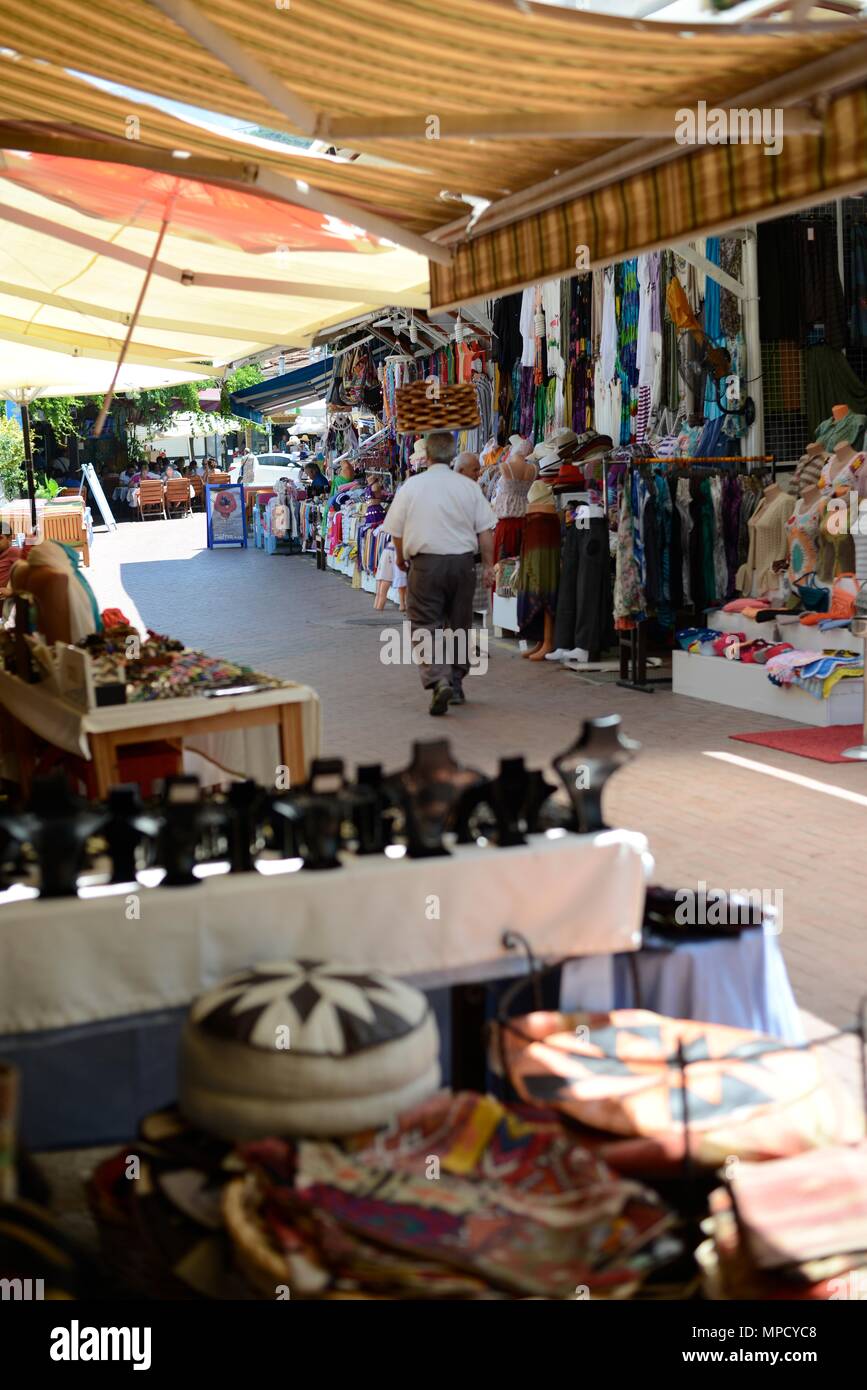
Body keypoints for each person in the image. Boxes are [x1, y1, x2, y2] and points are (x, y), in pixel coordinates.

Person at [383, 430, 495, 715]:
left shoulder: (412, 486)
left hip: (426, 564)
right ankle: (455, 684)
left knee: (424, 625)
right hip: (462, 564)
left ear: (428, 456)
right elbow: (485, 532)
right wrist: (489, 567)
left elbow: (396, 530)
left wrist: (399, 558)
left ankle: (438, 678)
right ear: (452, 456)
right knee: (459, 624)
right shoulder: (468, 487)